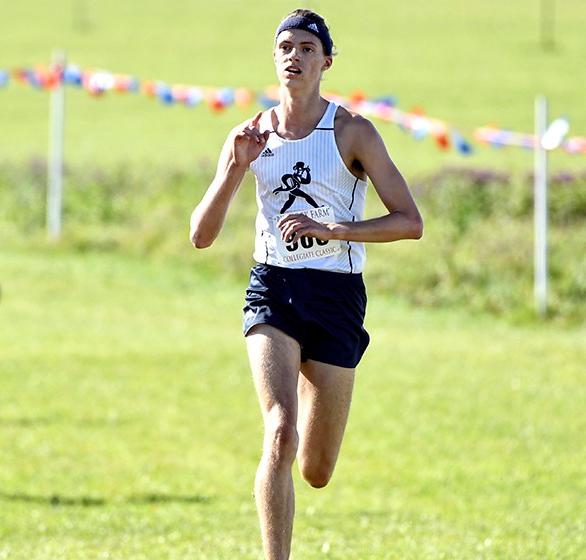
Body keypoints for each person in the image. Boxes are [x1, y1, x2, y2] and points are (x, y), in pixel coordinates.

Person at [189, 9, 423, 559]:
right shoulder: (250, 134)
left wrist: (336, 228)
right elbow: (201, 235)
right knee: (278, 431)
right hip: (272, 288)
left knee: (315, 469)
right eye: (285, 47)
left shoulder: (353, 132)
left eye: (306, 49)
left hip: (337, 295)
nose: (294, 56)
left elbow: (410, 221)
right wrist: (233, 170)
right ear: (274, 59)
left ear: (326, 62)